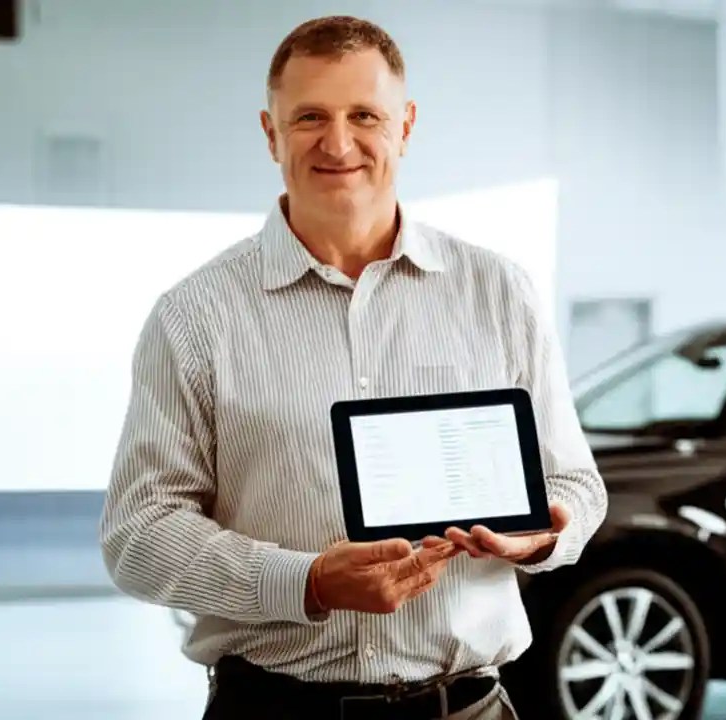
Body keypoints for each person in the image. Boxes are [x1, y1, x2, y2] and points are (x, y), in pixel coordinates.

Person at [99, 14, 607, 720]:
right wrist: (305, 582)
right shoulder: (196, 315)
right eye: (309, 116)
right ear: (271, 133)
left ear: (406, 125)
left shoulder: (499, 292)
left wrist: (543, 534)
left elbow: (577, 484)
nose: (338, 143)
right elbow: (140, 532)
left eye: (364, 114)